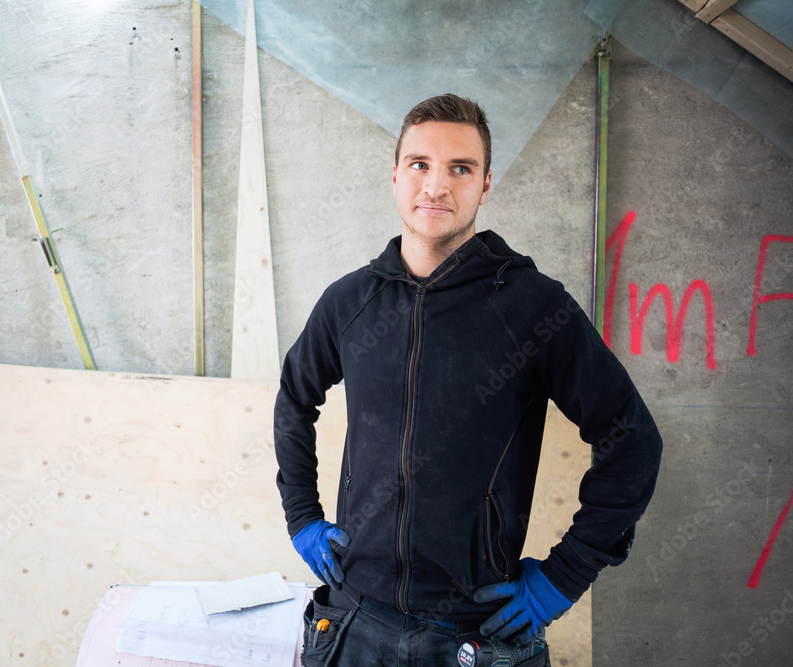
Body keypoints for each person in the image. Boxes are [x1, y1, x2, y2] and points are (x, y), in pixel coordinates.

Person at [274, 94, 662, 666]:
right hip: (354, 621)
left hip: (473, 631)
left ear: (483, 185)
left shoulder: (532, 306)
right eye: (420, 165)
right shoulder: (350, 302)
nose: (436, 186)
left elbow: (631, 438)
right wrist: (302, 515)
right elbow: (293, 399)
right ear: (396, 176)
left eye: (460, 168)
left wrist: (567, 572)